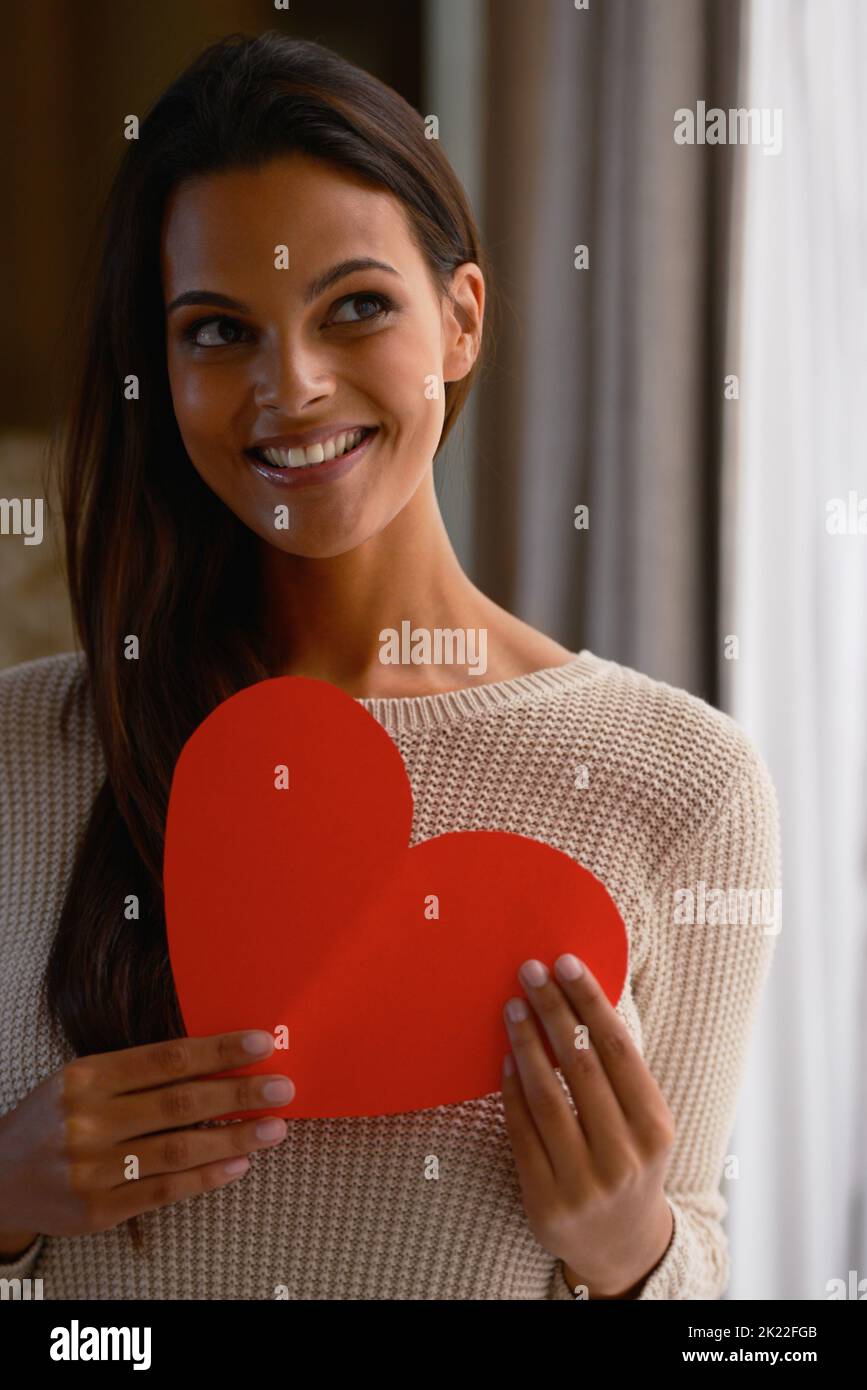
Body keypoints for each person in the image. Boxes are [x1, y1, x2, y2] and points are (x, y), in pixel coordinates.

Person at [0, 31, 780, 1300]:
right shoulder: (20, 752)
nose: (290, 387)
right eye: (218, 331)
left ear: (459, 320)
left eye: (355, 306)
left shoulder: (684, 784)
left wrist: (633, 1252)